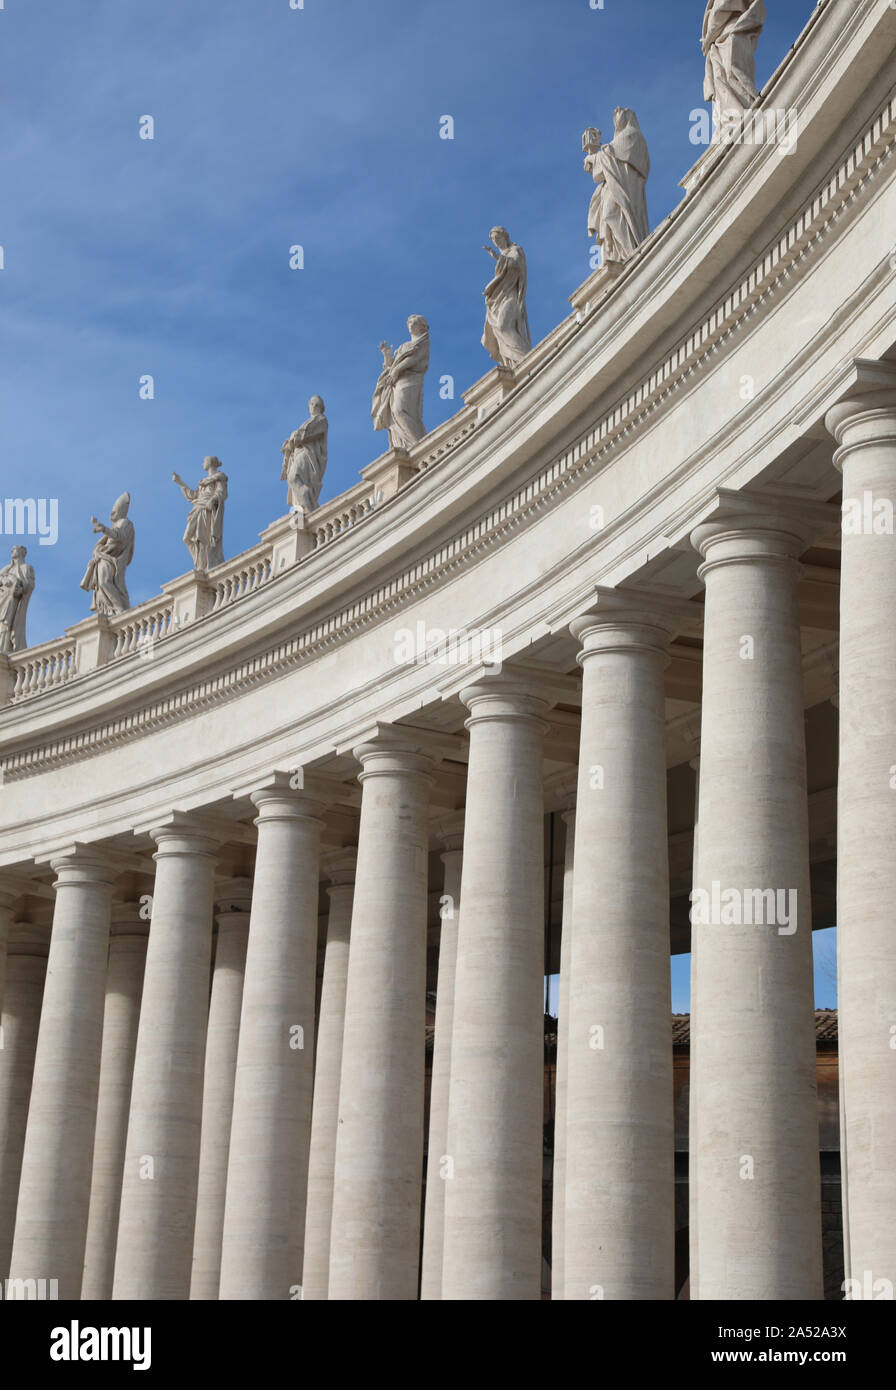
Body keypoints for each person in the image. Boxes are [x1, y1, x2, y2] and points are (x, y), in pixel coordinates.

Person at [584, 109, 650, 264]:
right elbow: (606, 164)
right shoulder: (621, 139)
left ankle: (628, 251)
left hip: (623, 190)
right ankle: (616, 254)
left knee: (610, 213)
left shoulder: (632, 136)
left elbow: (609, 156)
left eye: (620, 114)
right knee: (608, 219)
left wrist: (593, 156)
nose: (617, 117)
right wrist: (594, 155)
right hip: (613, 187)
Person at [371, 316, 430, 451]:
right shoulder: (404, 346)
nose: (410, 325)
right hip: (395, 381)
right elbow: (390, 367)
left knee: (399, 410)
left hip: (411, 379)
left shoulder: (424, 341)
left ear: (422, 326)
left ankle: (418, 445)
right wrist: (387, 355)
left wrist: (397, 370)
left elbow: (415, 359)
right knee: (394, 413)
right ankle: (404, 445)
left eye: (413, 322)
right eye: (408, 322)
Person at [481, 226, 531, 369]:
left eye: (498, 238)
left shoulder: (515, 250)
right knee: (499, 329)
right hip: (500, 297)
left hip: (512, 296)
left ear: (505, 237)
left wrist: (499, 257)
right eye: (493, 240)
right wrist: (498, 256)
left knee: (503, 326)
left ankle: (526, 359)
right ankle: (512, 362)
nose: (496, 242)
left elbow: (515, 264)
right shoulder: (504, 255)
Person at [80, 493, 135, 615]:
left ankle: (119, 608)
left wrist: (103, 528)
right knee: (102, 584)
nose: (111, 514)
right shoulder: (116, 525)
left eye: (114, 511)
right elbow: (108, 539)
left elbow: (119, 536)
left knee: (105, 581)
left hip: (112, 560)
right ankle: (111, 609)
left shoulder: (126, 523)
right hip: (103, 557)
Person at [172, 456, 227, 570]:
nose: (202, 463)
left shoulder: (219, 478)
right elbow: (193, 496)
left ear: (210, 462)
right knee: (187, 538)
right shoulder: (203, 482)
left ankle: (203, 566)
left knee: (202, 540)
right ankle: (199, 562)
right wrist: (180, 482)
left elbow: (222, 493)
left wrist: (213, 500)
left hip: (207, 510)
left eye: (204, 461)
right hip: (197, 509)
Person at [281, 397, 329, 513]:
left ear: (321, 408)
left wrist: (293, 437)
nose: (313, 406)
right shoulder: (307, 422)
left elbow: (304, 435)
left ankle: (309, 507)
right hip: (299, 453)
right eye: (312, 404)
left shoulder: (322, 420)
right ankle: (304, 508)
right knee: (294, 481)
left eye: (317, 404)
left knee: (293, 477)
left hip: (308, 455)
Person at [0, 545, 35, 653]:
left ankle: (4, 648)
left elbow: (30, 584)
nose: (12, 551)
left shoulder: (26, 568)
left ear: (22, 552)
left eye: (14, 549)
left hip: (13, 599)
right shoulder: (7, 568)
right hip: (2, 597)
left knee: (6, 623)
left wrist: (20, 588)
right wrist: (4, 580)